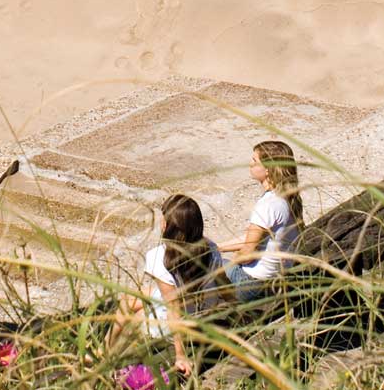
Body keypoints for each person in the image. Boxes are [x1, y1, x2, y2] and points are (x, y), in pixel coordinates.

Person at [107, 194, 223, 378]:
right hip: (203, 317)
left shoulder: (159, 257)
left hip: (178, 326)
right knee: (130, 299)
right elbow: (224, 285)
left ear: (167, 226)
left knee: (135, 314)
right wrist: (237, 311)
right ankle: (105, 349)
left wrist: (180, 355)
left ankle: (108, 354)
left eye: (163, 219)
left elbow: (173, 309)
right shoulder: (211, 248)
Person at [218, 141, 302, 302]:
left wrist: (234, 259)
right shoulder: (287, 198)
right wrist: (220, 247)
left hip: (254, 286)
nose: (250, 164)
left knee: (213, 264)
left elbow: (248, 253)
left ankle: (232, 313)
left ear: (268, 170)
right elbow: (253, 237)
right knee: (218, 255)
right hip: (277, 281)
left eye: (255, 161)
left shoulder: (267, 205)